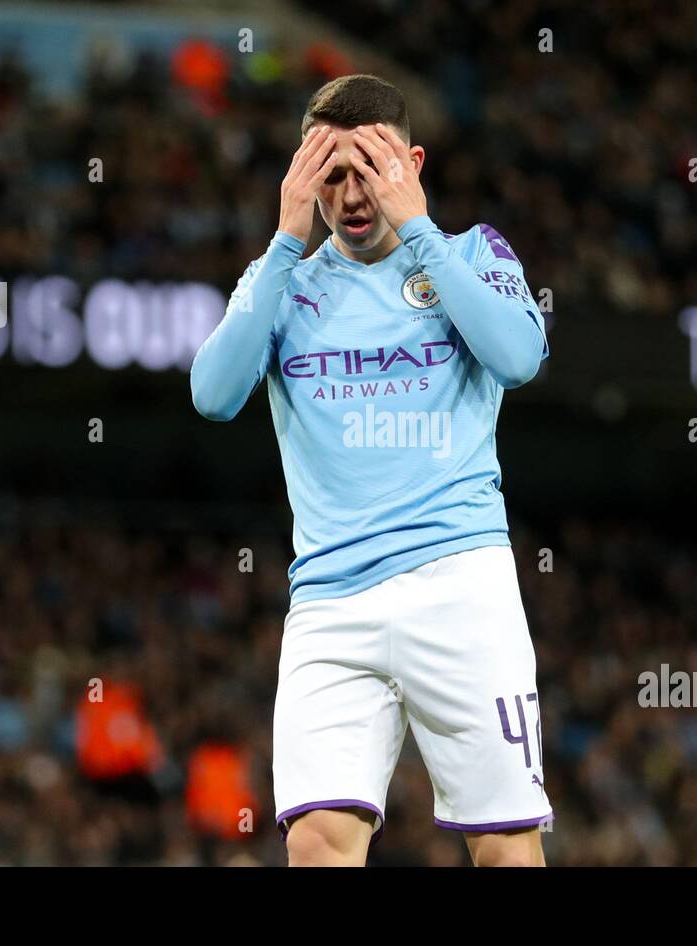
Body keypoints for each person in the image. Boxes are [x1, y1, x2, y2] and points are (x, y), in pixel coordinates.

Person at [190, 74, 551, 866]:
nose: (351, 195)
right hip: (329, 603)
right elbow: (213, 395)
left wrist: (418, 228)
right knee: (317, 842)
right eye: (331, 176)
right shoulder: (283, 285)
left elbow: (519, 357)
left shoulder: (470, 254)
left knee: (504, 847)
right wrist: (285, 242)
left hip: (461, 585)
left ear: (411, 162)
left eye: (367, 170)